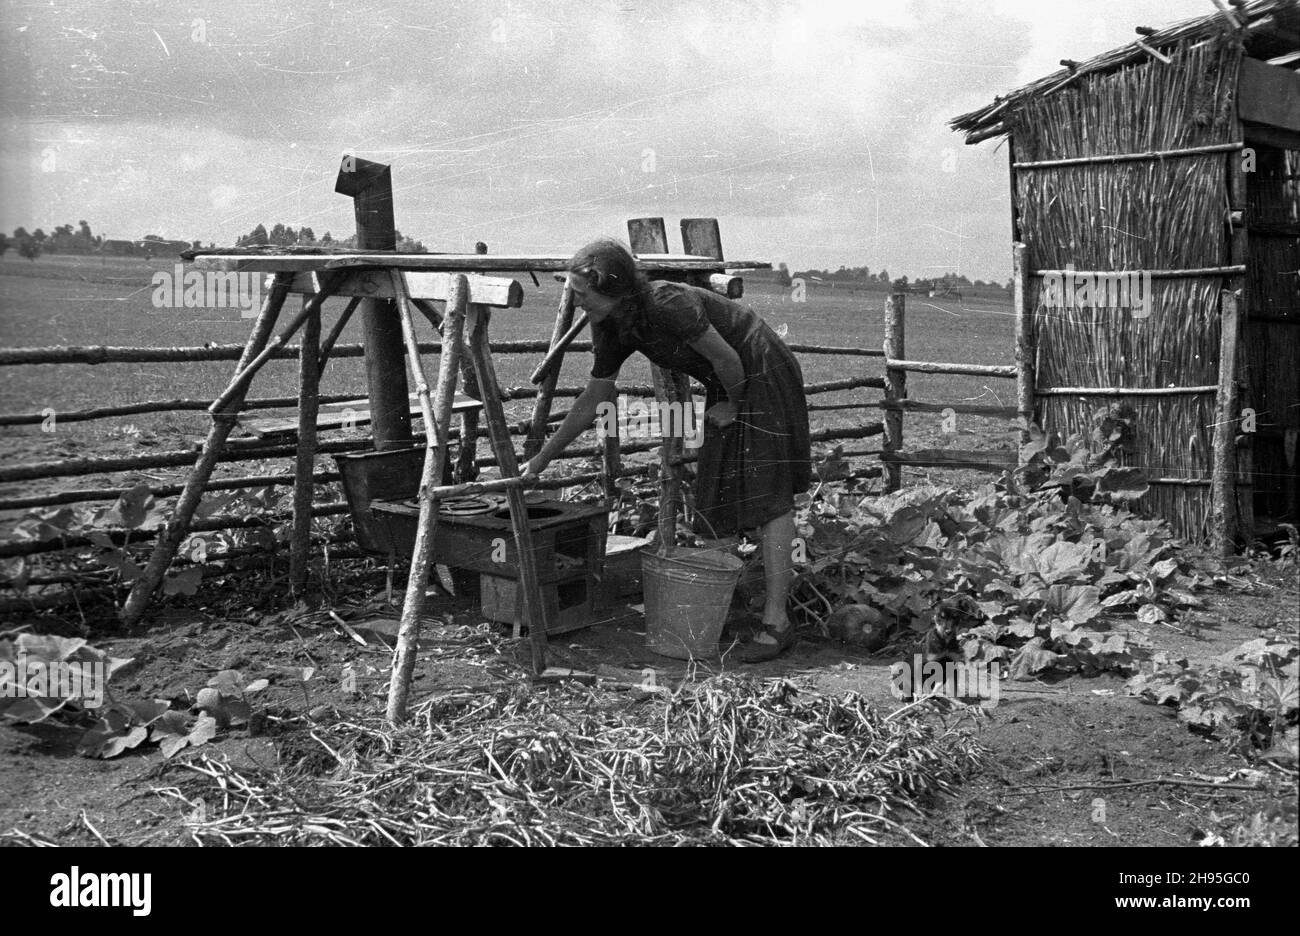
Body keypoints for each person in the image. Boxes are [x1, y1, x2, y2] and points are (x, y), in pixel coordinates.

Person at [525, 238, 811, 662]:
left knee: (770, 500)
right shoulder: (610, 325)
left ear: (613, 287)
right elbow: (594, 399)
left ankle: (776, 624)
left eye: (583, 293)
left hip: (760, 369)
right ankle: (724, 608)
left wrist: (732, 403)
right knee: (715, 495)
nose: (578, 302)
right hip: (728, 381)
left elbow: (728, 356)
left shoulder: (666, 302)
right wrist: (541, 460)